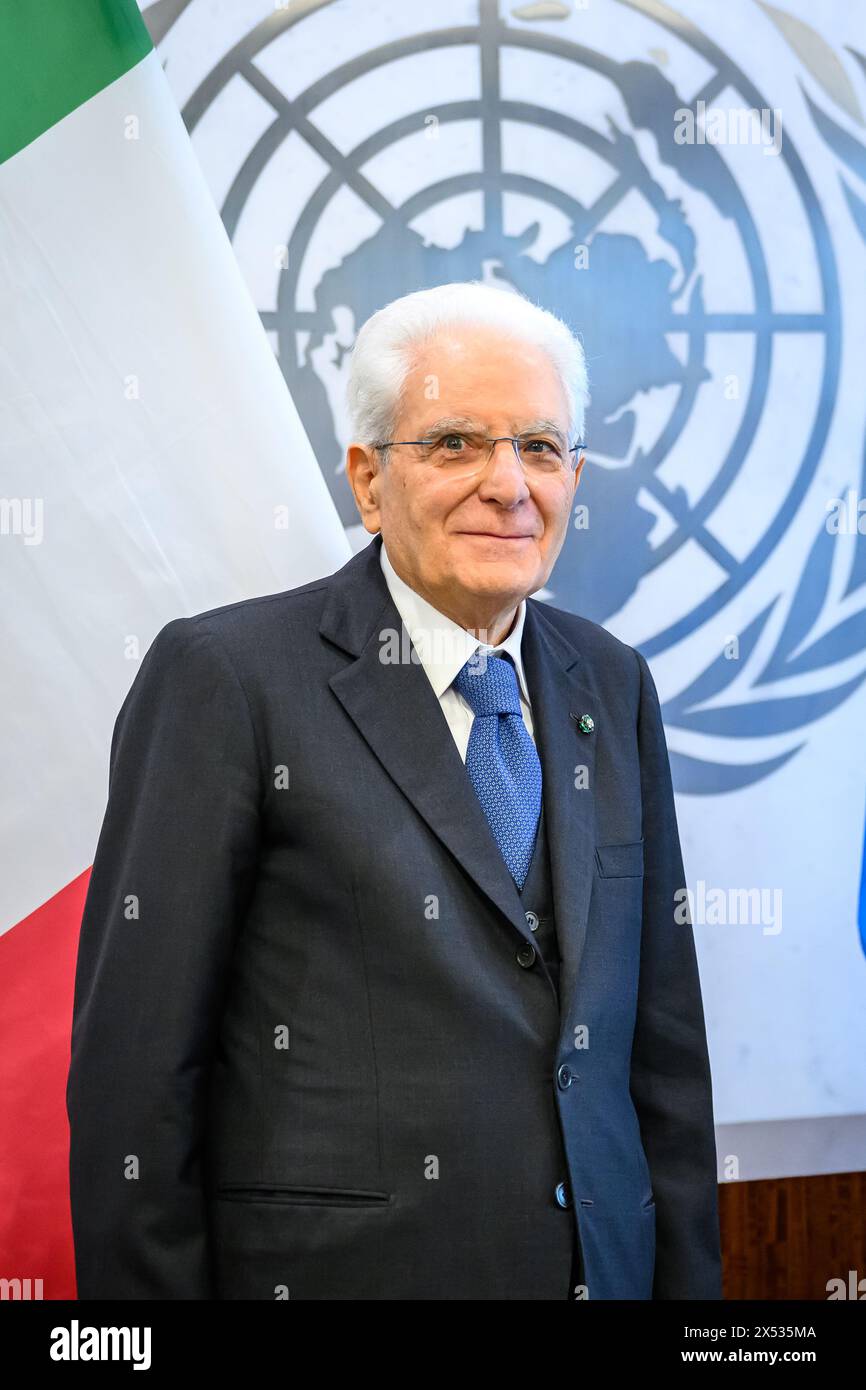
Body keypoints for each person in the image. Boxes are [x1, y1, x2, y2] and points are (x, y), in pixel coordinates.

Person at [67, 280, 722, 1300]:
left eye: (540, 449)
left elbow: (662, 1054)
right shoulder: (227, 678)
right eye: (456, 442)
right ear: (368, 481)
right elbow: (136, 1079)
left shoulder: (613, 681)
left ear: (574, 476)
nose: (508, 484)